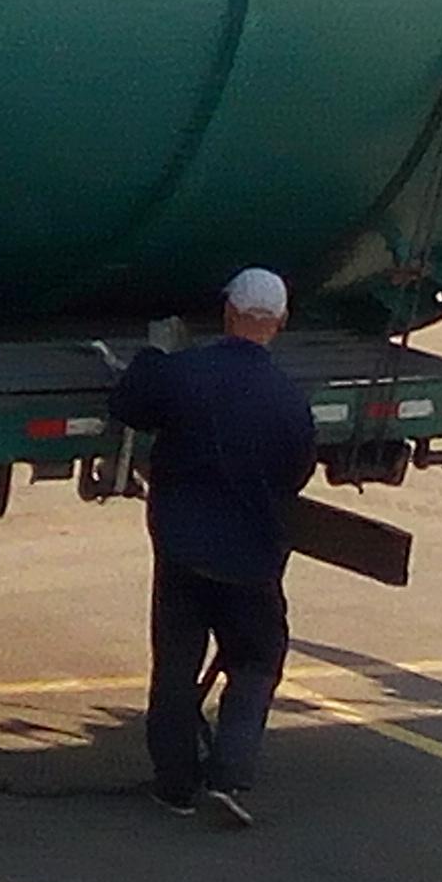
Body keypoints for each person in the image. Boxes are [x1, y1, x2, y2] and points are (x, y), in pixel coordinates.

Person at [109, 268, 320, 830]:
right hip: (252, 560)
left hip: (182, 549)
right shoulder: (290, 401)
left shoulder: (186, 374)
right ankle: (229, 773)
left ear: (228, 314)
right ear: (280, 322)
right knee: (256, 661)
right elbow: (297, 473)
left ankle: (175, 785)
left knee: (176, 666)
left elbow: (127, 404)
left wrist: (151, 358)